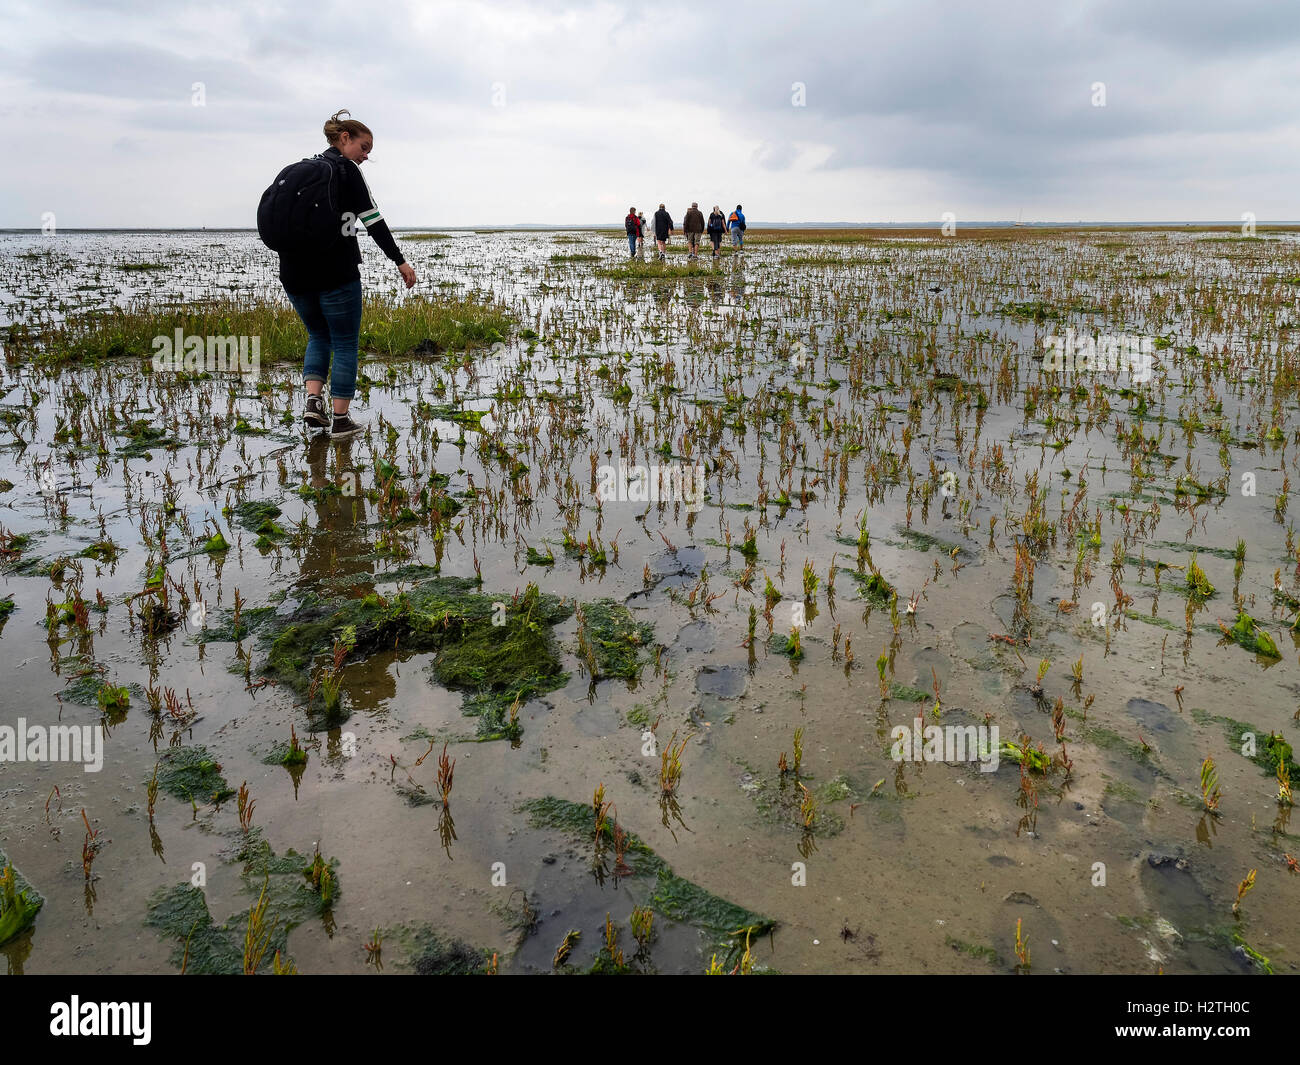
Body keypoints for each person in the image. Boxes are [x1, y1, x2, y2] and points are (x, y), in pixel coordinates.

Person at [278, 110, 416, 440]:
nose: (366, 156)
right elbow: (374, 222)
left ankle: (313, 402)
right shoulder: (346, 171)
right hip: (336, 274)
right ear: (344, 139)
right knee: (344, 343)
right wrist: (400, 261)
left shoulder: (300, 170)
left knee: (317, 335)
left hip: (294, 275)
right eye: (363, 147)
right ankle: (340, 421)